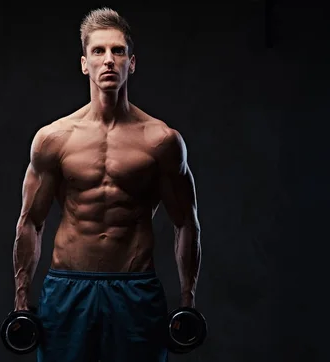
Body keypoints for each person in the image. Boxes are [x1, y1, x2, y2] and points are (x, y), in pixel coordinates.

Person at [12, 7, 201, 362]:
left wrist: (187, 301)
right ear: (85, 63)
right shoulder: (54, 138)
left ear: (132, 62)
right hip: (68, 290)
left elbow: (186, 223)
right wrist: (22, 302)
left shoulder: (160, 140)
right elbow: (30, 222)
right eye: (98, 51)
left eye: (118, 51)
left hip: (135, 290)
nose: (109, 60)